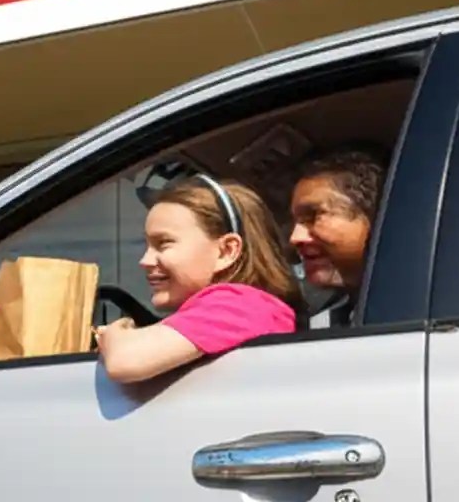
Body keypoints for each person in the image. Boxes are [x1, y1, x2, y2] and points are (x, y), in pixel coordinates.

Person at [97, 175, 304, 383]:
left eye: (164, 243)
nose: (145, 260)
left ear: (226, 251)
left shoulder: (239, 306)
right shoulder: (240, 309)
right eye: (148, 246)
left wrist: (116, 332)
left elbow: (126, 361)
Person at [288, 143, 390, 328]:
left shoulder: (422, 311)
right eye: (295, 222)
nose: (295, 238)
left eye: (313, 216)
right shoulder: (324, 322)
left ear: (375, 216)